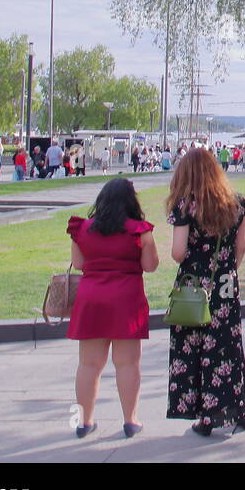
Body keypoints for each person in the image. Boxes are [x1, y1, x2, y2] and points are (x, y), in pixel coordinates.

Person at [165, 147, 245, 436]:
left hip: (195, 284)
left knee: (196, 347)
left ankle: (206, 415)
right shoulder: (237, 203)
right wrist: (228, 268)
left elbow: (178, 253)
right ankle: (241, 409)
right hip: (227, 282)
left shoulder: (185, 206)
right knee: (228, 345)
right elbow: (241, 246)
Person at [67, 178, 159, 439]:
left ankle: (84, 422)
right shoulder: (139, 231)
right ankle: (130, 421)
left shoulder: (81, 228)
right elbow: (150, 266)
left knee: (89, 364)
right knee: (127, 363)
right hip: (126, 298)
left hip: (91, 298)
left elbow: (79, 263)